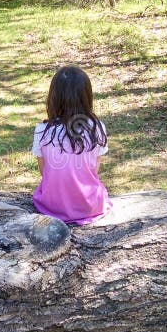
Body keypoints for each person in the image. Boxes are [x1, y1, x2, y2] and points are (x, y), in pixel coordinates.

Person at [31, 66, 112, 225]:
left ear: (53, 97)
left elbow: (44, 171)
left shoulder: (42, 131)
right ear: (87, 97)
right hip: (91, 206)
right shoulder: (97, 127)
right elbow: (94, 169)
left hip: (52, 206)